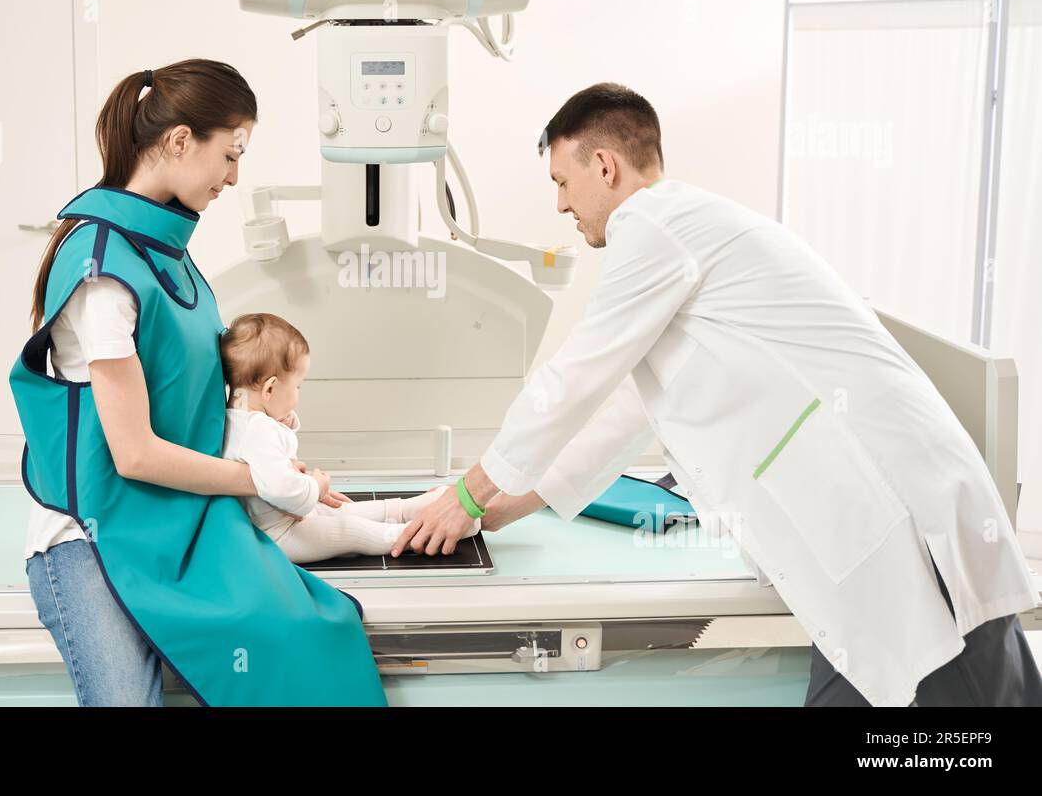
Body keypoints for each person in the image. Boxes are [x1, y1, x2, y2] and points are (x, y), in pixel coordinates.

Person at [394, 81, 1042, 707]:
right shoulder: (683, 239)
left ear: (603, 165)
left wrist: (467, 495)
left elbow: (575, 376)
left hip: (901, 528)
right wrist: (505, 505)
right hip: (866, 542)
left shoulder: (653, 225)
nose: (561, 205)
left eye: (562, 183)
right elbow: (621, 410)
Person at [13, 60, 385, 707]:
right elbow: (134, 453)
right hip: (91, 531)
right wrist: (261, 480)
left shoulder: (167, 255)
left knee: (307, 635)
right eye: (231, 152)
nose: (235, 175)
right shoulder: (104, 270)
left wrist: (272, 458)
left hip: (179, 511)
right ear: (180, 141)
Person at [218, 312, 471, 562]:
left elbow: (273, 451)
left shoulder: (239, 418)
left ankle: (411, 508)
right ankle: (419, 533)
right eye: (297, 386)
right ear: (270, 388)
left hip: (288, 516)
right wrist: (316, 486)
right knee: (348, 530)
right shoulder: (258, 431)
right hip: (279, 534)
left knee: (342, 512)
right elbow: (283, 488)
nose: (298, 393)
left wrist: (283, 421)